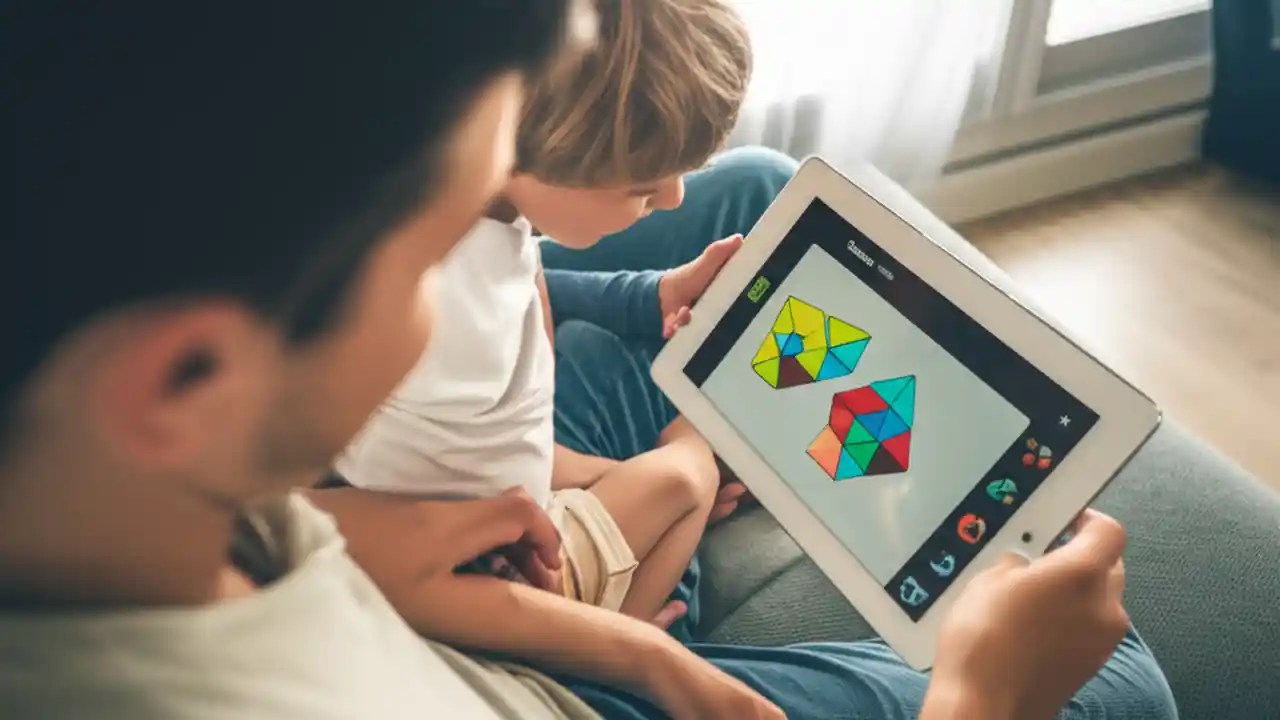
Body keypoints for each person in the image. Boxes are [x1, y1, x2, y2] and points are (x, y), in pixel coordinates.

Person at [3, 4, 1178, 720]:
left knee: (737, 265)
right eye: (442, 234)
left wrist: (336, 522)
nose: (481, 269)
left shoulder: (165, 510)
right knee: (1116, 673)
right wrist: (978, 701)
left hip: (503, 577)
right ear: (186, 380)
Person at [332, 0, 755, 630]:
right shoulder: (444, 322)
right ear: (536, 153)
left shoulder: (469, 199)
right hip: (515, 570)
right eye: (641, 186)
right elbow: (481, 501)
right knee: (689, 470)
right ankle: (626, 636)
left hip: (508, 480)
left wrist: (650, 293)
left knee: (759, 183)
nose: (673, 197)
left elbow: (492, 448)